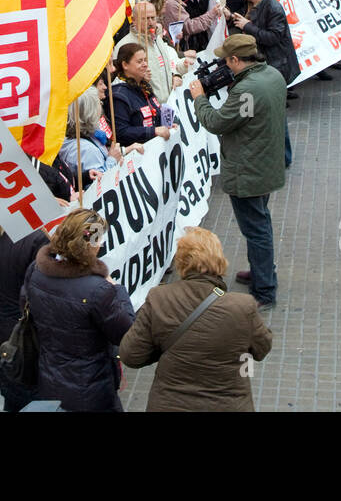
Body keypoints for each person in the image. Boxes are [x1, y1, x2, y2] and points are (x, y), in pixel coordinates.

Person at [118, 226, 273, 411]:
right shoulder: (243, 306)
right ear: (220, 260)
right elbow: (262, 349)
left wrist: (164, 349)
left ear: (181, 262)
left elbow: (131, 356)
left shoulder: (159, 298)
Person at [189, 34, 287, 307]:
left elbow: (218, 122)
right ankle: (261, 271)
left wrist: (199, 99)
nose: (224, 65)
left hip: (248, 171)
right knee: (260, 222)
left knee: (256, 229)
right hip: (265, 165)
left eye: (226, 60)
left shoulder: (247, 90)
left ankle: (265, 289)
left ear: (235, 59)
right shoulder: (271, 75)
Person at [21, 208, 135, 411]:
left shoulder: (36, 271)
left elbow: (26, 305)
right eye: (99, 240)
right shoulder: (98, 290)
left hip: (49, 379)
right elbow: (127, 332)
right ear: (91, 245)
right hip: (91, 389)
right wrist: (119, 291)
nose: (101, 245)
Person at [0, 200, 52, 411]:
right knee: (35, 396)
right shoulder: (36, 238)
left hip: (0, 330)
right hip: (31, 334)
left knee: (11, 393)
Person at [113, 1, 194, 103]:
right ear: (134, 20)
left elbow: (169, 65)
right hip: (146, 106)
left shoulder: (157, 39)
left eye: (153, 18)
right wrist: (137, 80)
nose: (150, 22)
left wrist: (176, 75)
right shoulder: (124, 45)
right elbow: (117, 83)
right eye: (145, 18)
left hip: (169, 104)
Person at [111, 43, 173, 147]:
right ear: (125, 65)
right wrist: (153, 131)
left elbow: (154, 114)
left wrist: (165, 126)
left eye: (145, 60)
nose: (145, 64)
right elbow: (121, 132)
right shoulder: (118, 95)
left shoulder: (144, 86)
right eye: (139, 61)